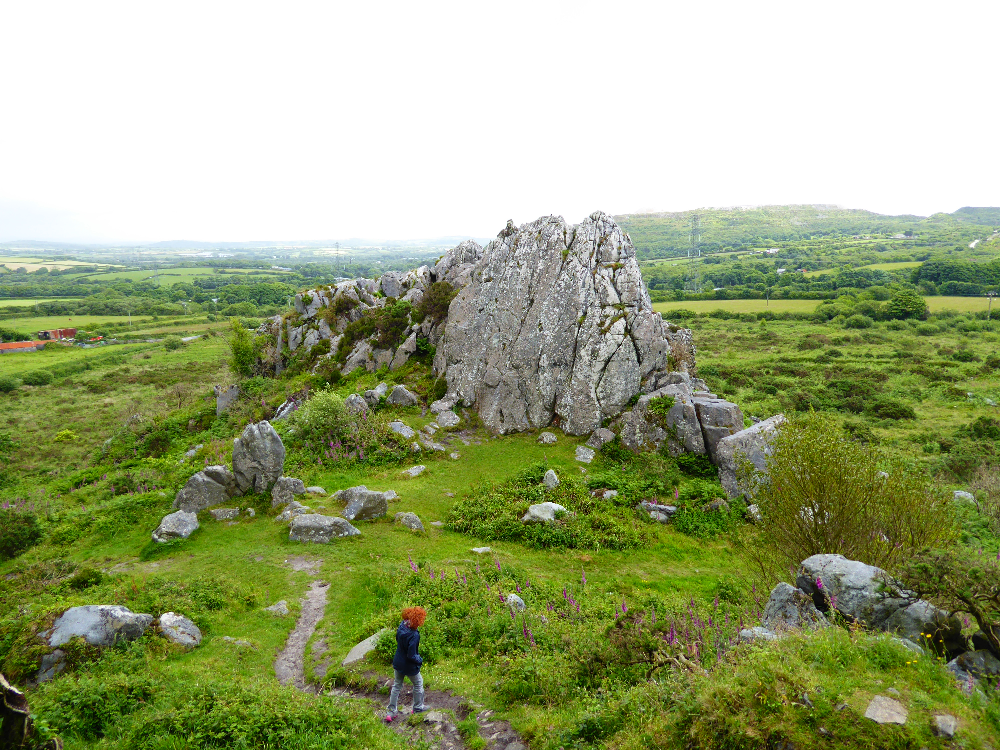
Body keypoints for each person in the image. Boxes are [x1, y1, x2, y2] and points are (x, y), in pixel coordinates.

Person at [385, 606, 426, 721]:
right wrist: (420, 660)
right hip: (409, 666)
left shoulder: (402, 626)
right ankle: (418, 708)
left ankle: (391, 711)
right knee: (418, 683)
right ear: (418, 620)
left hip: (398, 661)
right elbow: (411, 655)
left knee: (397, 685)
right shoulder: (414, 635)